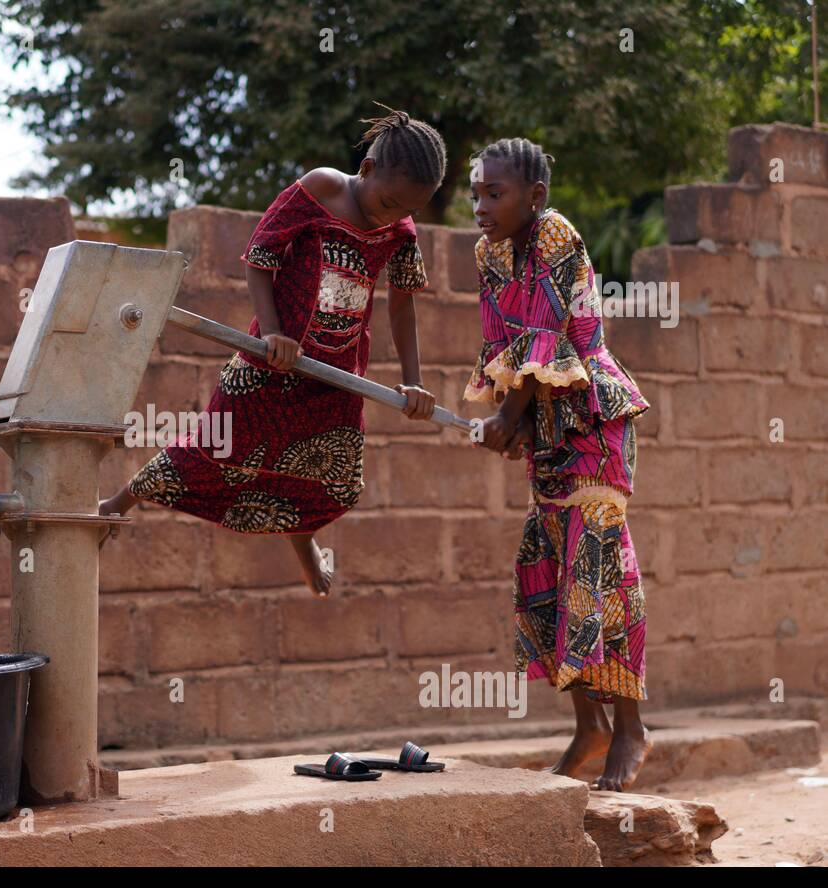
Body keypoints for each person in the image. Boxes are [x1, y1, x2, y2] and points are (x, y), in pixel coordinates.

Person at [100, 106, 444, 596]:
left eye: (406, 209)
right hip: (271, 363)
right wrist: (274, 336)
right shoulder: (322, 188)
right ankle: (117, 504)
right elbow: (260, 256)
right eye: (388, 201)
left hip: (336, 375)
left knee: (334, 480)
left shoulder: (401, 230)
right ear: (366, 168)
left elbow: (403, 304)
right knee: (213, 448)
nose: (392, 215)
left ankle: (303, 542)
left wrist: (414, 380)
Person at [466, 138, 652, 791]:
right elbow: (502, 346)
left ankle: (629, 727)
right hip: (546, 427)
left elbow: (551, 335)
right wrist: (508, 419)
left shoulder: (555, 237)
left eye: (496, 193)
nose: (480, 204)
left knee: (594, 563)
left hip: (593, 421)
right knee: (545, 567)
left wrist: (509, 418)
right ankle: (589, 727)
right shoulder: (488, 253)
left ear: (534, 196)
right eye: (476, 191)